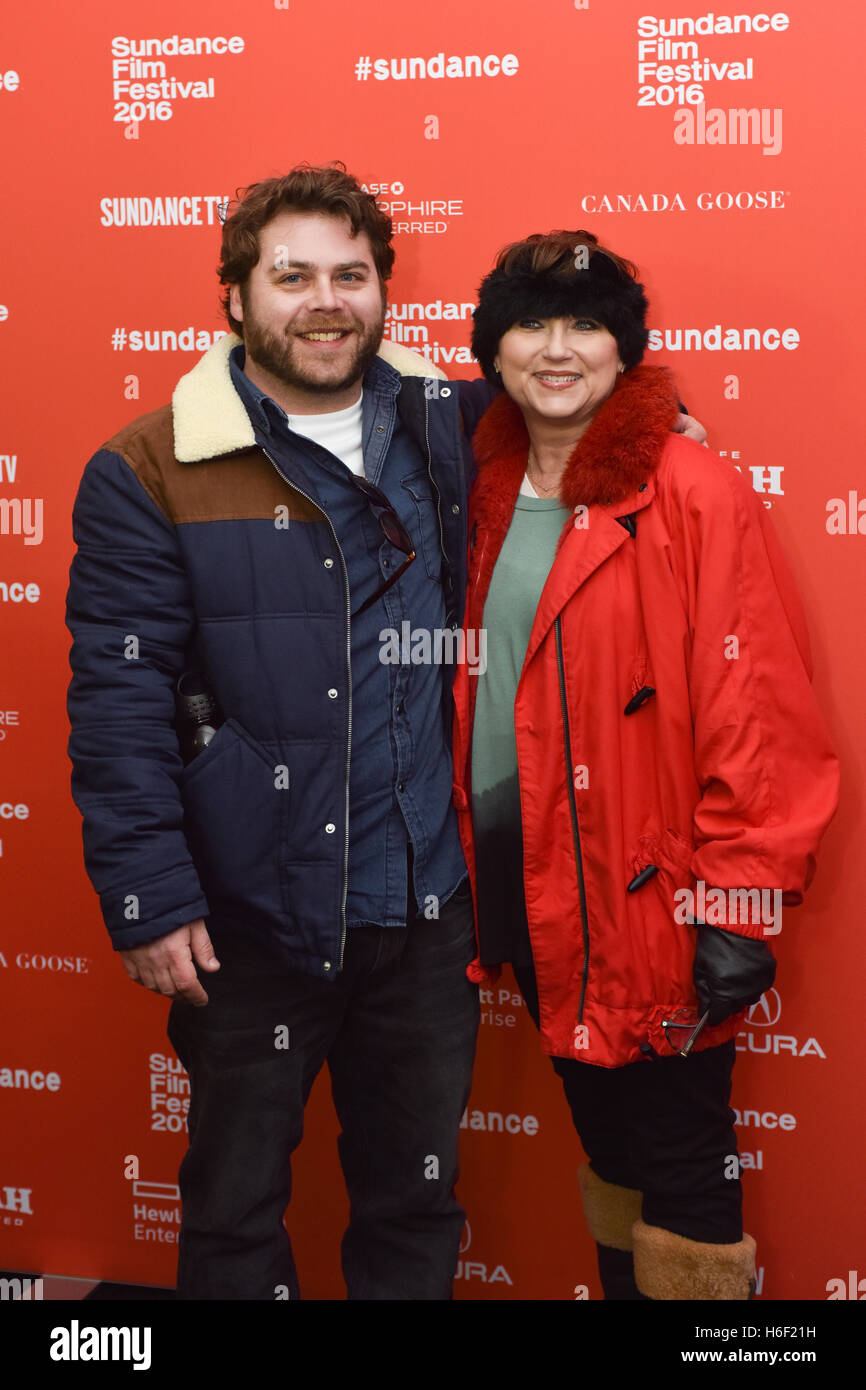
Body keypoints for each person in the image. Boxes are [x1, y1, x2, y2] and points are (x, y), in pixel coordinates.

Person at [65, 167, 706, 1301]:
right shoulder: (148, 468)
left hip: (424, 915)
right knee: (231, 1209)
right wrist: (147, 895)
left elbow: (580, 401)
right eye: (292, 276)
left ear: (383, 292)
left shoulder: (449, 424)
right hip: (246, 917)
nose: (325, 301)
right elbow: (118, 700)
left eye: (350, 275)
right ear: (233, 299)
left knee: (413, 1205)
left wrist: (655, 418)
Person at [450, 230, 839, 1300]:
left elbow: (753, 708)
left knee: (680, 1173)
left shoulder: (691, 489)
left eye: (587, 325)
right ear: (494, 350)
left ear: (627, 352)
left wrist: (739, 900)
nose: (558, 347)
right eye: (531, 323)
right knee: (612, 1157)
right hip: (531, 896)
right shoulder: (477, 486)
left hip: (657, 904)